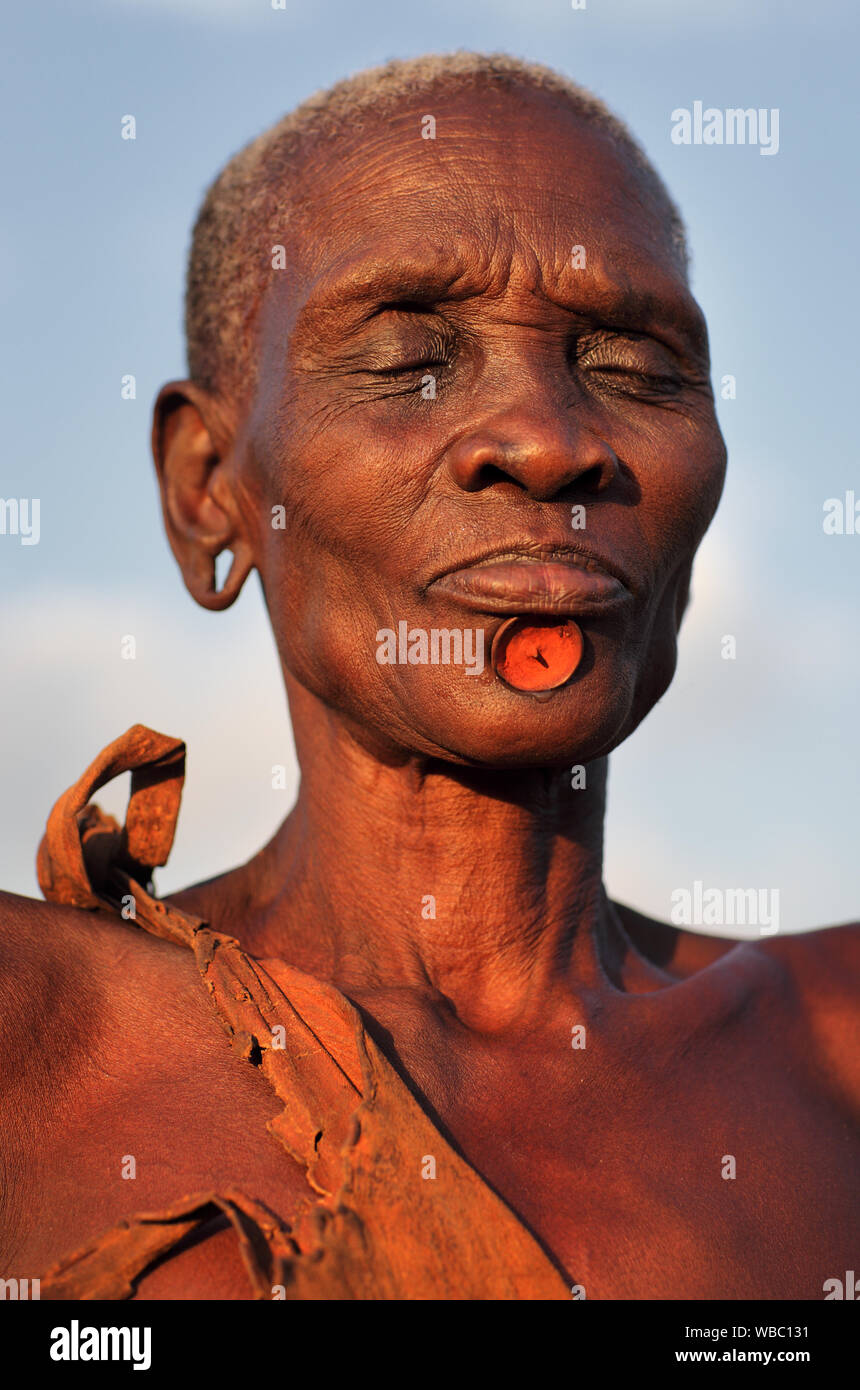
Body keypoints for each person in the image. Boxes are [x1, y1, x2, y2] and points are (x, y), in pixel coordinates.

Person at [1, 52, 856, 1301]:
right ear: (207, 490)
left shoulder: (832, 1049)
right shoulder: (36, 1042)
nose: (550, 441)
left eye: (631, 366)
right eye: (410, 361)